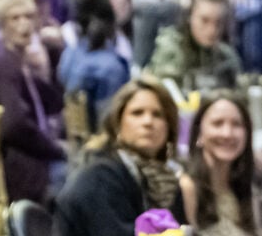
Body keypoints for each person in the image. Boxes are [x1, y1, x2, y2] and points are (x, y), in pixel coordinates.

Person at [54, 78, 185, 236]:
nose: (148, 122)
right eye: (137, 113)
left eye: (158, 115)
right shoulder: (100, 176)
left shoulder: (167, 180)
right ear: (117, 123)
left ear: (169, 127)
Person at [0, 0, 66, 203]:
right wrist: (54, 150)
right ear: (2, 24)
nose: (24, 24)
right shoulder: (4, 65)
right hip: (16, 170)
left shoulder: (18, 62)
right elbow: (13, 124)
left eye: (29, 16)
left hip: (26, 162)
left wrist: (43, 69)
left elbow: (55, 103)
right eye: (15, 18)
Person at [180, 92, 262, 236]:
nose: (227, 133)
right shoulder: (186, 188)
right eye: (217, 124)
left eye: (237, 124)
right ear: (199, 133)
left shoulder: (252, 188)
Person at [58, 0, 132, 128]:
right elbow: (109, 120)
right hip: (100, 139)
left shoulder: (69, 55)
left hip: (73, 136)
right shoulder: (112, 68)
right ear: (111, 20)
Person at [148, 0, 242, 94]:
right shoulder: (170, 50)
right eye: (204, 20)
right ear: (189, 17)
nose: (212, 30)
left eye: (218, 22)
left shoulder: (227, 58)